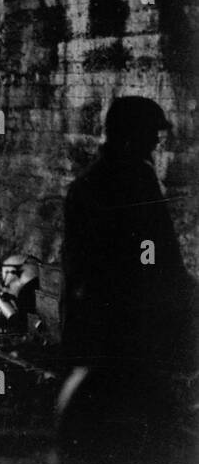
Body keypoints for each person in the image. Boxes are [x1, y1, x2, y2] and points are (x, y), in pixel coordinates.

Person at [62, 96, 197, 375]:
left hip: (101, 320)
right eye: (150, 134)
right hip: (123, 321)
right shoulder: (134, 182)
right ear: (130, 136)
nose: (154, 143)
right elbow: (156, 251)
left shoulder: (88, 184)